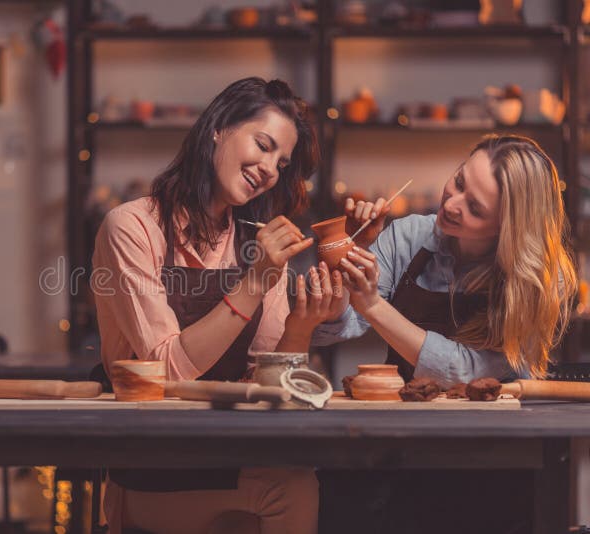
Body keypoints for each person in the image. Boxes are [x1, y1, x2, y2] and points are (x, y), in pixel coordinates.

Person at [91, 77, 331, 534]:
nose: (269, 169)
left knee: (330, 481)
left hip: (229, 451)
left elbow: (269, 380)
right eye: (262, 145)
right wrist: (255, 282)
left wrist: (304, 324)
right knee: (293, 488)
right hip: (150, 465)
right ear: (219, 128)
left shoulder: (253, 242)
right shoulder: (132, 227)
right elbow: (166, 369)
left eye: (281, 163)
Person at [311, 134, 578, 532]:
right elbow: (343, 327)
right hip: (397, 445)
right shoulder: (409, 237)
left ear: (507, 226)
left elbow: (465, 371)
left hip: (493, 458)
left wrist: (373, 305)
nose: (451, 204)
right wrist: (344, 270)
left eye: (474, 208)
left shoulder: (537, 279)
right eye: (458, 181)